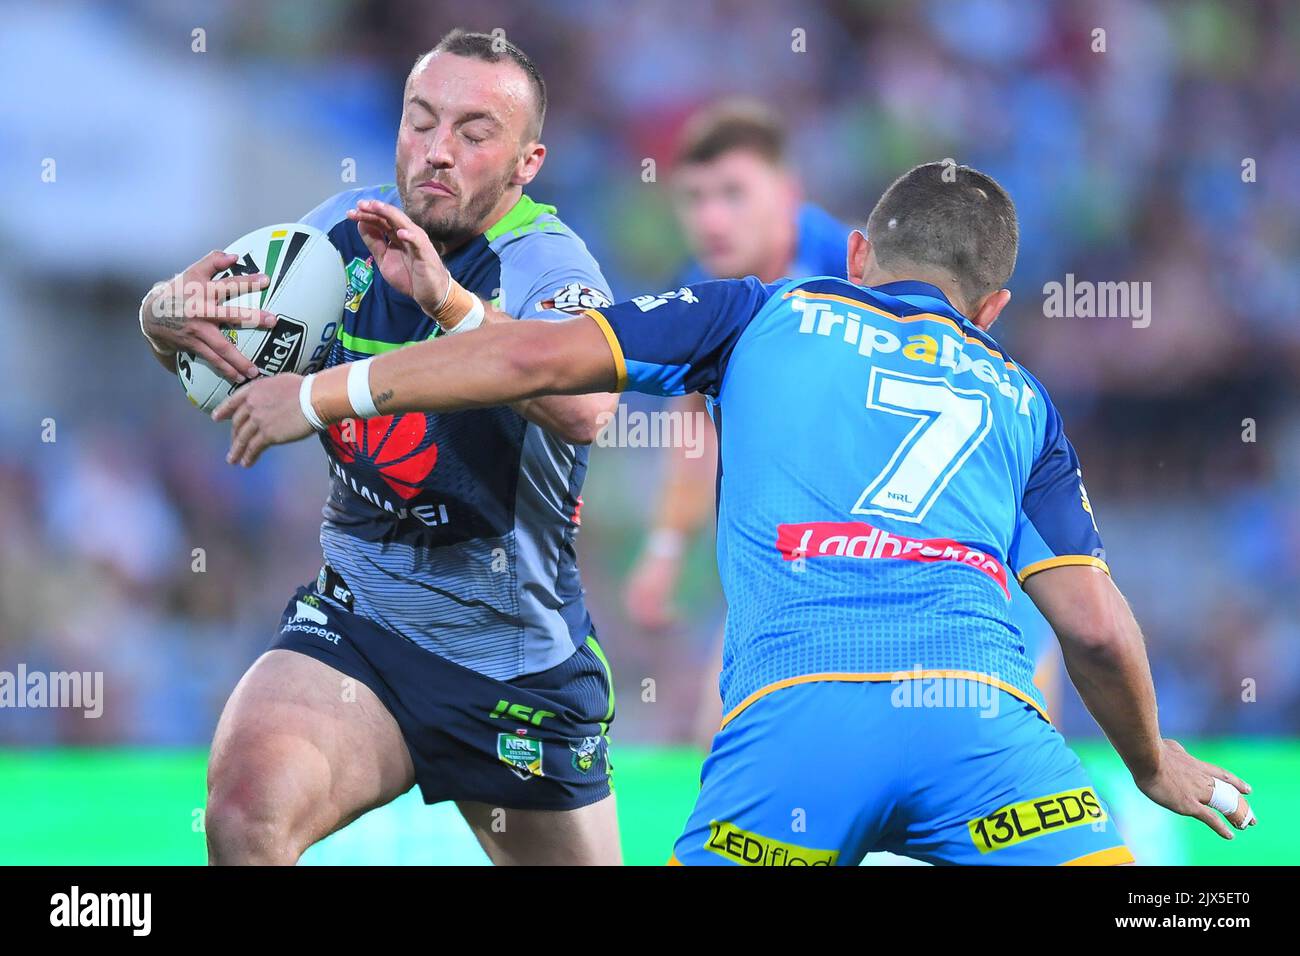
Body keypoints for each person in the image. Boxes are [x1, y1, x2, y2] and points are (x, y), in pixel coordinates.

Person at [214, 162, 1257, 865]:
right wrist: (1154, 761)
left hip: (794, 730)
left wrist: (321, 392)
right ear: (991, 309)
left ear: (854, 256)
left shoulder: (757, 311)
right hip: (983, 731)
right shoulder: (1020, 394)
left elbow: (532, 356)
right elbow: (1090, 625)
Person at [138, 30, 622, 865]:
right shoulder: (336, 236)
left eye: (474, 134)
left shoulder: (550, 266)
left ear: (526, 162)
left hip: (513, 659)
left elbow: (586, 410)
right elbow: (225, 362)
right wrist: (162, 321)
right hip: (362, 622)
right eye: (420, 122)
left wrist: (448, 305)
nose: (437, 153)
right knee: (245, 814)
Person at [622, 101, 850, 743]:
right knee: (719, 736)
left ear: (788, 194)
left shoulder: (858, 269)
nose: (712, 218)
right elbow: (693, 431)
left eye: (733, 194)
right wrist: (665, 550)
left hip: (910, 555)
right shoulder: (703, 287)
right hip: (794, 558)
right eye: (694, 199)